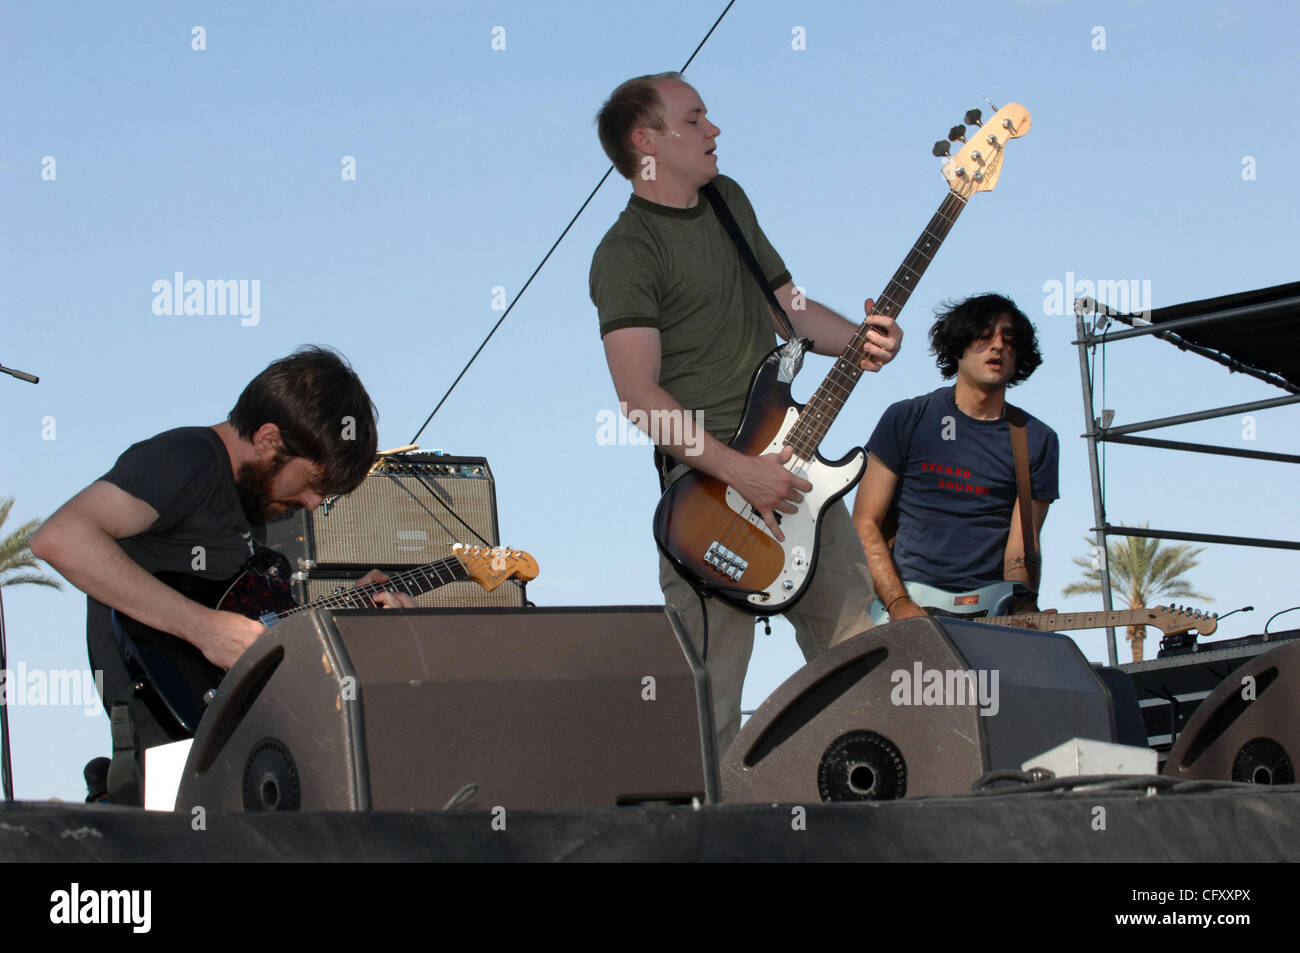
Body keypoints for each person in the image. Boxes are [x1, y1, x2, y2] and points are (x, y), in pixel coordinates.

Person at [589, 72, 902, 752]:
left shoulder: (727, 200)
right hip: (708, 494)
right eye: (695, 118)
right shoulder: (625, 253)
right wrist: (741, 474)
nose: (714, 129)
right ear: (646, 141)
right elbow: (640, 397)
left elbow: (786, 309)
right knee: (709, 705)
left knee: (862, 656)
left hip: (794, 472)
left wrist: (861, 338)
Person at [32, 347, 415, 762]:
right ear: (270, 440)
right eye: (313, 484)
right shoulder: (187, 457)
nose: (310, 503)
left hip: (238, 749)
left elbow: (247, 625)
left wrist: (347, 611)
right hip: (173, 754)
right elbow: (61, 537)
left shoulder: (250, 506)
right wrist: (205, 629)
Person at [852, 294, 1058, 622]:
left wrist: (1023, 607)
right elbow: (865, 522)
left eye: (1009, 339)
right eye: (983, 335)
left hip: (988, 615)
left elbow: (1022, 549)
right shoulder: (906, 418)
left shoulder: (1036, 439)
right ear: (958, 345)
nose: (997, 346)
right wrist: (898, 604)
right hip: (904, 606)